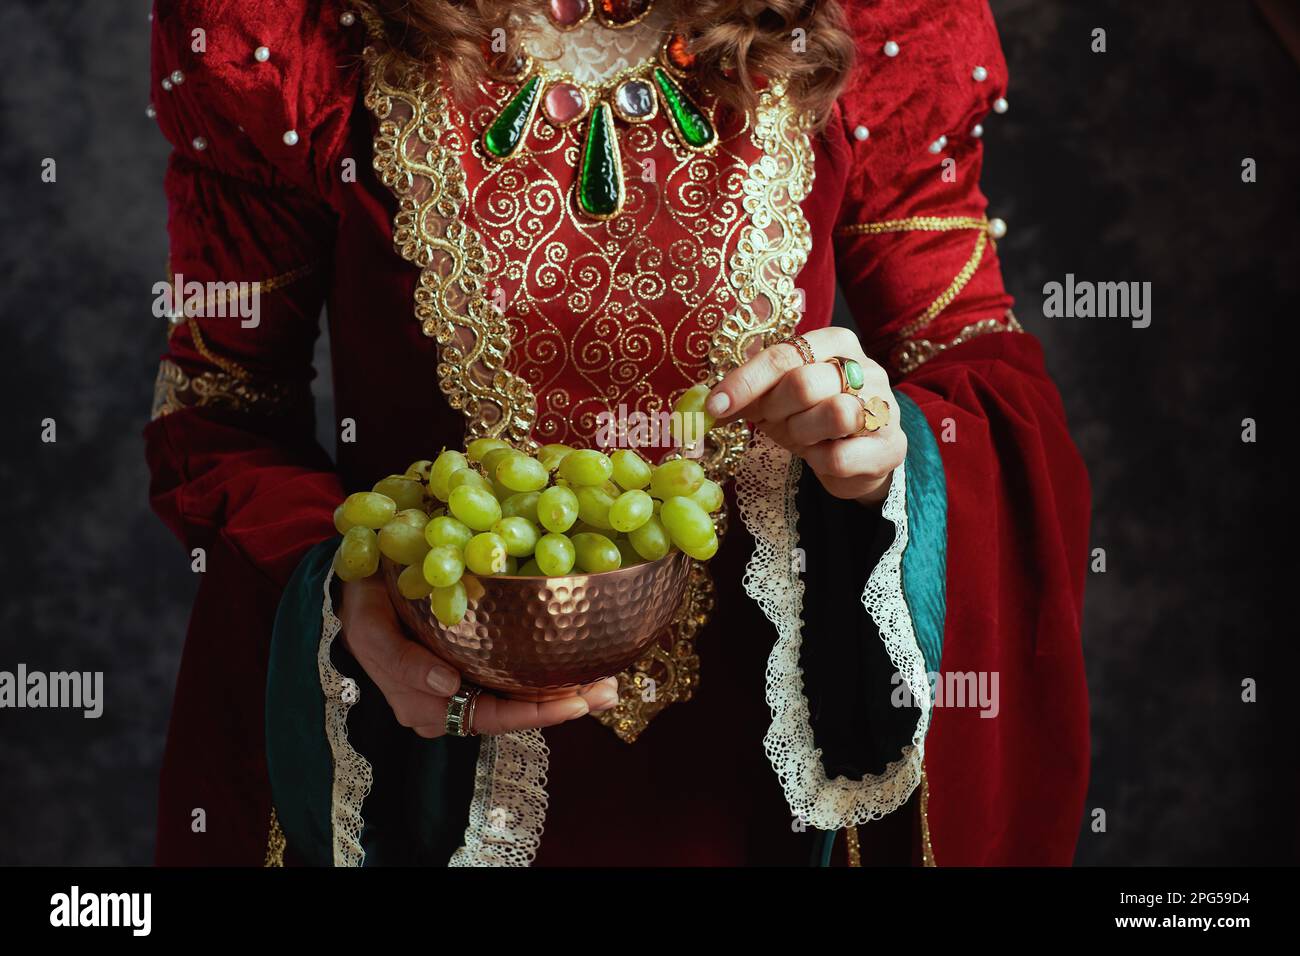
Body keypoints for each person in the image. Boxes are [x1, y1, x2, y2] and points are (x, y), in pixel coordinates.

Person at [145, 0, 1091, 866]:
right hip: (426, 780)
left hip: (758, 793)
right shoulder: (288, 29)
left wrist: (886, 450)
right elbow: (219, 409)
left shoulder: (879, 19)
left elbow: (976, 372)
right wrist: (344, 598)